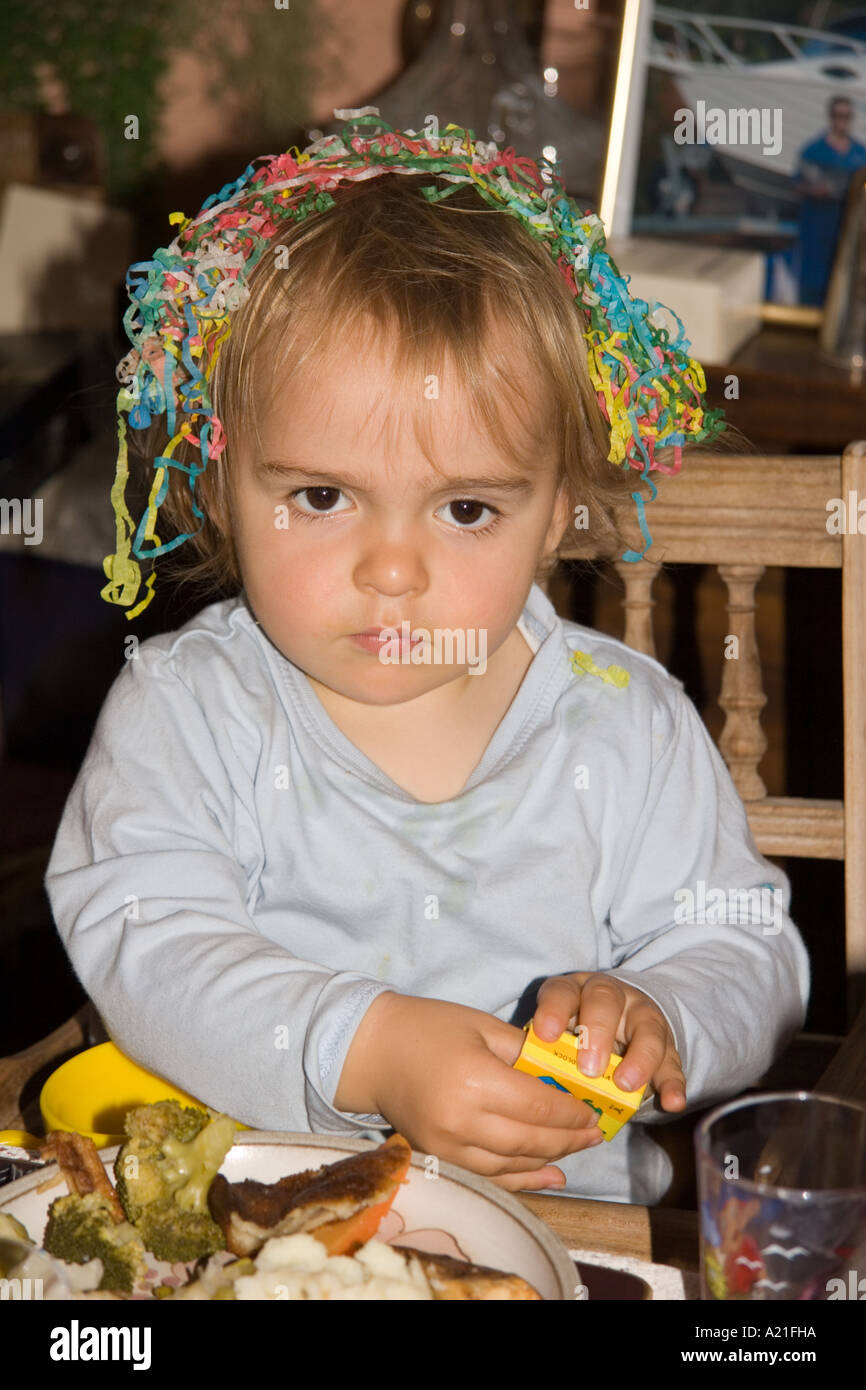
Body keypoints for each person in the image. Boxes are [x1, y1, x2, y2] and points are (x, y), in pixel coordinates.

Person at [44, 115, 809, 1205]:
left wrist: (665, 1013)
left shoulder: (620, 721)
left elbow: (747, 954)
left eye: (463, 508)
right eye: (320, 496)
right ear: (218, 489)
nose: (391, 570)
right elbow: (146, 941)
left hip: (570, 1235)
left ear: (555, 512)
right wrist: (368, 1048)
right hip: (267, 1227)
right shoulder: (192, 708)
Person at [794, 95, 866, 305]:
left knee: (846, 289)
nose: (842, 120)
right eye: (838, 115)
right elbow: (796, 183)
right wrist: (814, 190)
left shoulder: (860, 154)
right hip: (816, 230)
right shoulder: (813, 151)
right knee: (812, 288)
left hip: (849, 233)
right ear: (830, 117)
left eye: (846, 116)